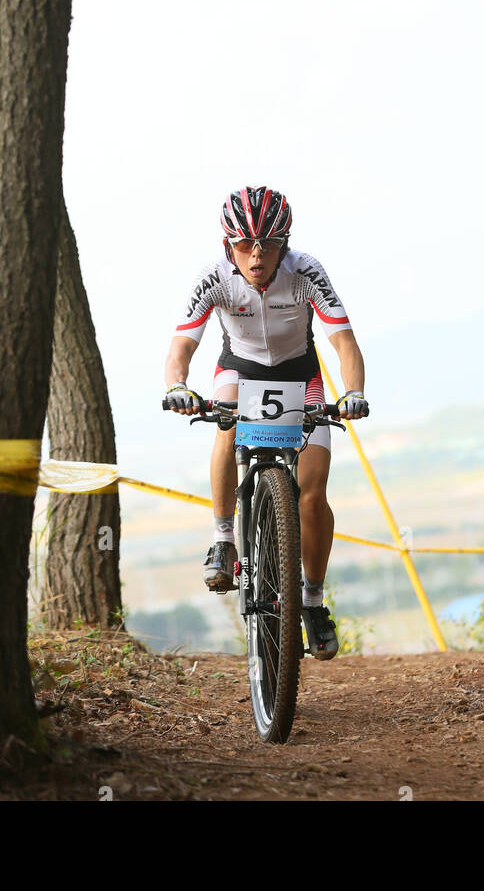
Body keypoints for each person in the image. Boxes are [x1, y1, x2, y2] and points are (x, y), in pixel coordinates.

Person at [164, 185, 368, 660]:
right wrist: (177, 385)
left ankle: (313, 603)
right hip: (240, 370)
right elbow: (182, 346)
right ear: (227, 247)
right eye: (244, 245)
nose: (257, 256)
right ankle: (222, 541)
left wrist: (354, 392)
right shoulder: (214, 277)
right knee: (226, 422)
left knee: (314, 493)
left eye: (269, 245)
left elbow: (344, 344)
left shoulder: (306, 272)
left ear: (286, 244)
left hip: (302, 376)